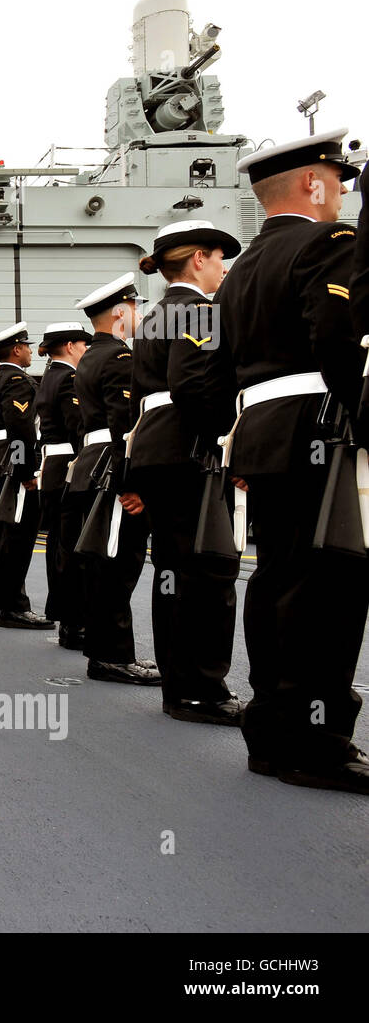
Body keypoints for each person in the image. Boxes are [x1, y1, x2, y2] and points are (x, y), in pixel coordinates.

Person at [176, 130, 366, 792]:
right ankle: (315, 744)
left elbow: (202, 382)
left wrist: (232, 436)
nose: (343, 190)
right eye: (338, 179)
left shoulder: (241, 272)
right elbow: (338, 342)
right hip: (317, 426)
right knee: (330, 588)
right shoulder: (328, 244)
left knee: (278, 581)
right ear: (313, 184)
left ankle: (272, 734)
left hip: (262, 436)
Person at [133, 220, 243, 724]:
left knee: (173, 570)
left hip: (157, 448)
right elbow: (192, 384)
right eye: (219, 257)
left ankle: (180, 686)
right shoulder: (199, 310)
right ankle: (200, 688)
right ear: (198, 258)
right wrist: (224, 435)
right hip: (189, 449)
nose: (223, 267)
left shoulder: (156, 315)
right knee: (209, 571)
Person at [70, 274, 160, 685]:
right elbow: (125, 424)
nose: (139, 315)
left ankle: (106, 650)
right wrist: (131, 482)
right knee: (118, 565)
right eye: (136, 308)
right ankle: (112, 656)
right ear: (121, 313)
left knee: (104, 565)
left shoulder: (90, 355)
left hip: (93, 463)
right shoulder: (120, 357)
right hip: (114, 466)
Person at [0, 323, 51, 630]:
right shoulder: (15, 379)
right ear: (15, 349)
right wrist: (26, 471)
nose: (28, 351)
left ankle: (6, 605)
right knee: (18, 537)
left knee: (8, 536)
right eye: (25, 346)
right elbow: (20, 426)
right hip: (14, 461)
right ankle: (13, 608)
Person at [33, 323, 90, 649]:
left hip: (53, 469)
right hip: (69, 466)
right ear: (70, 345)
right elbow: (77, 426)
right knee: (72, 549)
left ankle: (66, 618)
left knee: (59, 546)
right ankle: (75, 623)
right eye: (83, 345)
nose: (86, 351)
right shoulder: (68, 378)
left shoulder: (48, 376)